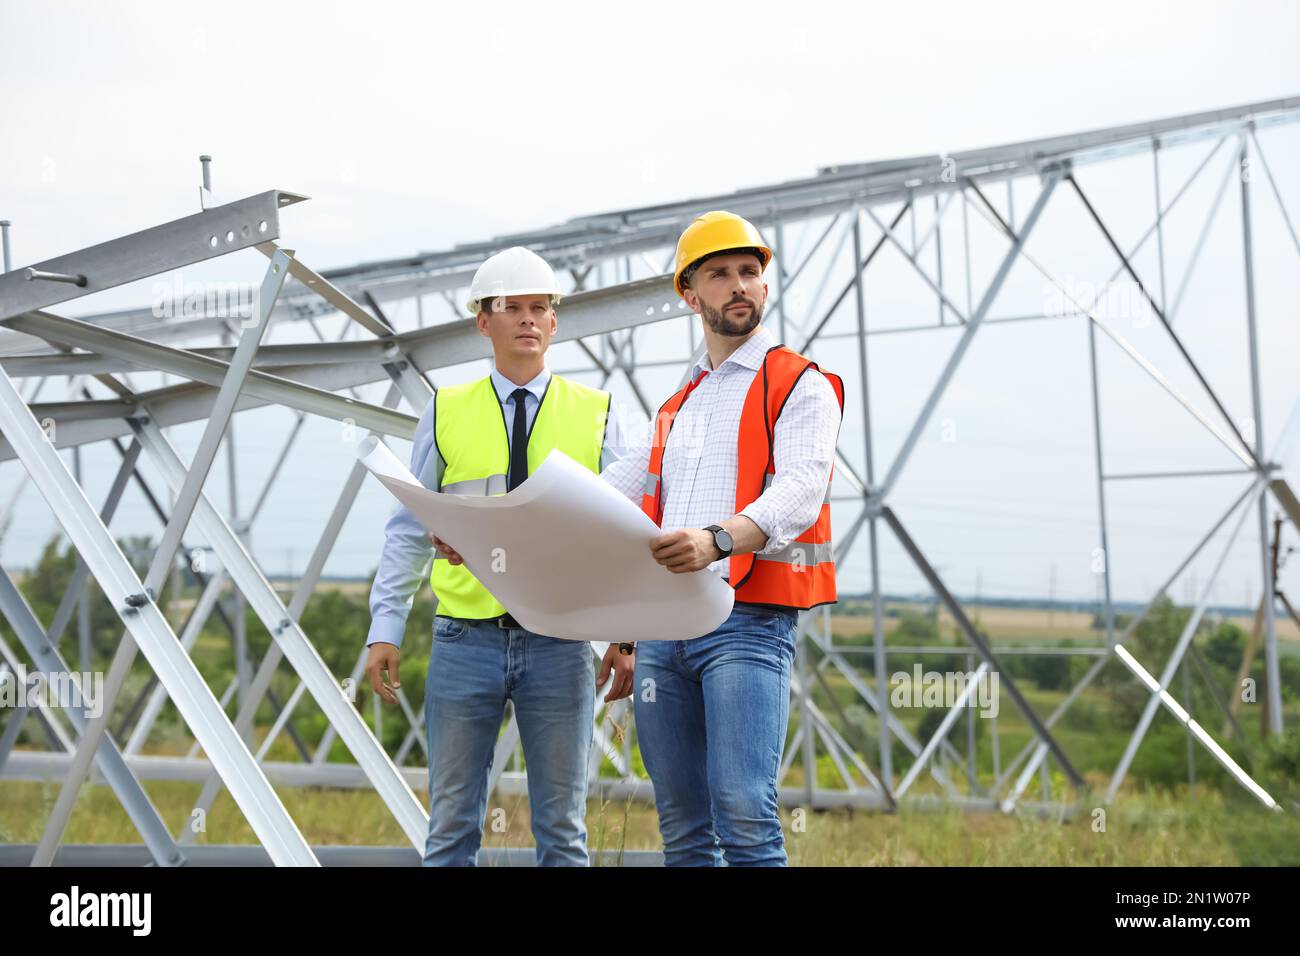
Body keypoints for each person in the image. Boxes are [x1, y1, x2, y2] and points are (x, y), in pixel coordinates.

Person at [364, 246, 635, 866]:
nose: (528, 320)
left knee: (563, 833)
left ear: (555, 321)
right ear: (483, 321)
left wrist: (626, 635)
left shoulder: (599, 414)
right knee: (452, 828)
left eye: (540, 308)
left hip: (562, 642)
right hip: (465, 639)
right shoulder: (444, 410)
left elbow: (626, 532)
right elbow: (409, 524)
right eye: (511, 308)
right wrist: (386, 628)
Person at [601, 211, 845, 866]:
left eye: (749, 272)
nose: (740, 285)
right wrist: (500, 523)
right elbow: (610, 496)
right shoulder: (679, 405)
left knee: (742, 809)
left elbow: (800, 488)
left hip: (748, 623)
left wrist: (717, 539)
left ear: (763, 287)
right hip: (660, 637)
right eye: (720, 274)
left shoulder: (799, 383)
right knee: (682, 824)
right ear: (690, 294)